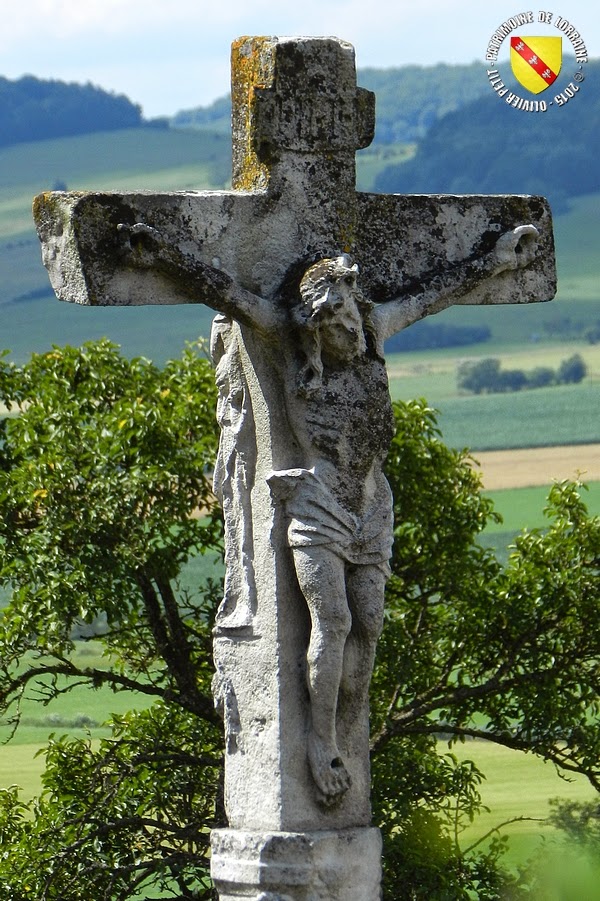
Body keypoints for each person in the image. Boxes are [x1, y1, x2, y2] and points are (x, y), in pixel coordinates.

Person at [119, 220, 539, 805]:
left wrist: (494, 262)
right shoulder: (290, 345)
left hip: (372, 505)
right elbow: (230, 295)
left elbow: (431, 296)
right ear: (315, 330)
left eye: (352, 314)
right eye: (338, 324)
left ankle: (347, 725)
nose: (352, 329)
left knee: (369, 623)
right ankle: (320, 741)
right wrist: (162, 253)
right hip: (317, 503)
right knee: (334, 623)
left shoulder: (374, 328)